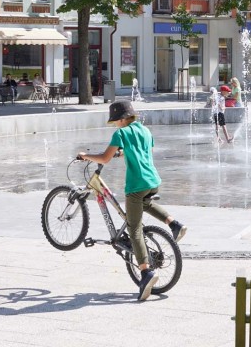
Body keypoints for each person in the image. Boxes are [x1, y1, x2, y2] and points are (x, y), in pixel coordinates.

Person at [77, 99, 186, 301]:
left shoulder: (121, 133)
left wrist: (86, 156)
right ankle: (174, 223)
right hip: (153, 180)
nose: (115, 125)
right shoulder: (145, 131)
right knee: (147, 203)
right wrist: (122, 153)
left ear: (121, 119)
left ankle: (145, 273)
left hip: (136, 185)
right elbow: (144, 154)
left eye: (115, 121)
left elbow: (103, 158)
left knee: (133, 228)